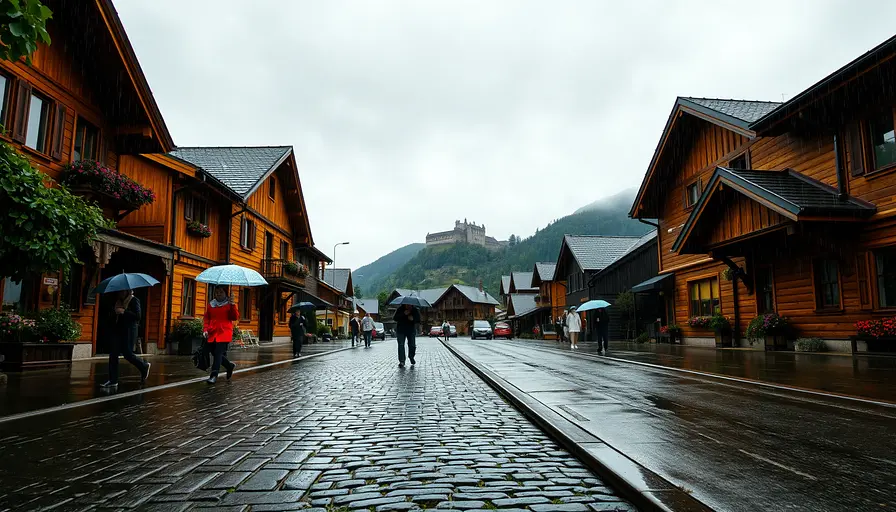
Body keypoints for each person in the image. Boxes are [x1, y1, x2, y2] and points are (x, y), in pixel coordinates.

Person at [100, 289, 151, 389]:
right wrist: (114, 313)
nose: (121, 293)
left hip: (129, 331)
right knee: (113, 354)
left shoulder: (133, 300)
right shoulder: (118, 302)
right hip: (117, 330)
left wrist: (124, 311)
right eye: (119, 292)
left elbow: (138, 316)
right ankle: (113, 380)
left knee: (128, 354)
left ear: (127, 292)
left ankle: (144, 366)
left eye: (123, 292)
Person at [203, 285, 238, 384]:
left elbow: (234, 317)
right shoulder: (212, 304)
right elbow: (207, 318)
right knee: (214, 353)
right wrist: (205, 329)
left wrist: (232, 305)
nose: (218, 294)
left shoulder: (229, 304)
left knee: (218, 353)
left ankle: (213, 375)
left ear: (225, 293)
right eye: (217, 292)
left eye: (221, 292)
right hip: (212, 332)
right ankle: (229, 366)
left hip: (224, 332)